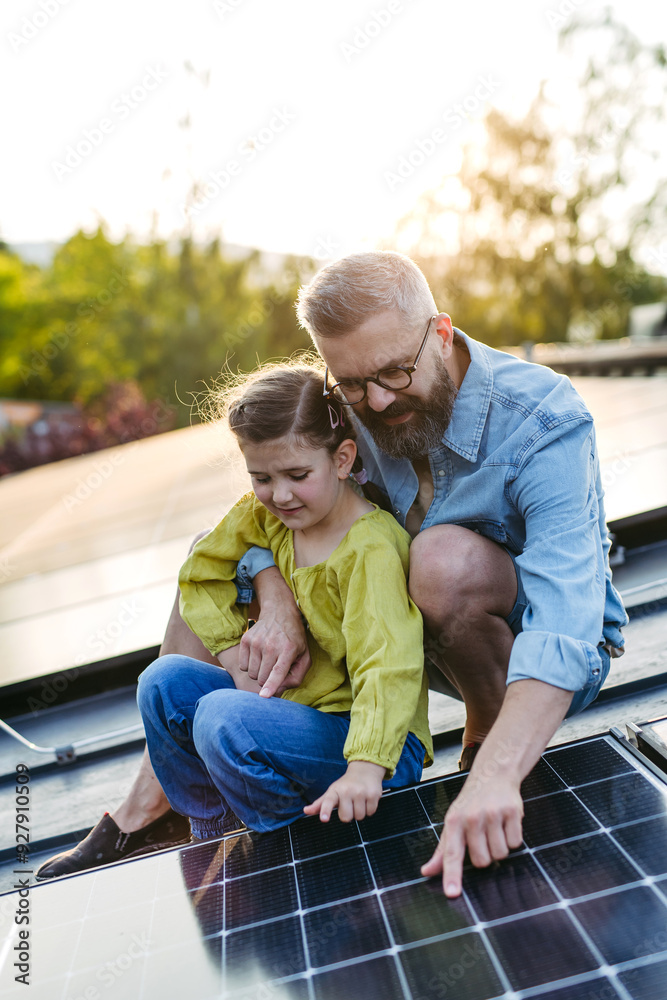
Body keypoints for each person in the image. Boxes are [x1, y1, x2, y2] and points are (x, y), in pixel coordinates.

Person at [38, 250, 627, 897]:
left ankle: (489, 749)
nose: (375, 400)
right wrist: (275, 596)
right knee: (214, 551)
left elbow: (568, 624)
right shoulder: (349, 403)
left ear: (441, 333)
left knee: (439, 560)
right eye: (351, 383)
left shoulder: (541, 419)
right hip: (397, 634)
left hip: (530, 654)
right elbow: (263, 514)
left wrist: (496, 776)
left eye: (395, 373)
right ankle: (152, 806)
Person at [136, 362, 432, 837]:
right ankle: (213, 823)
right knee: (162, 681)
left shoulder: (368, 547)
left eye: (296, 474)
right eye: (262, 478)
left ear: (341, 459)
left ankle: (289, 838)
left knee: (222, 717)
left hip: (372, 746)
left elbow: (387, 663)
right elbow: (202, 572)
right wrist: (235, 659)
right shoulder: (268, 516)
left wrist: (365, 767)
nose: (280, 495)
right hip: (294, 720)